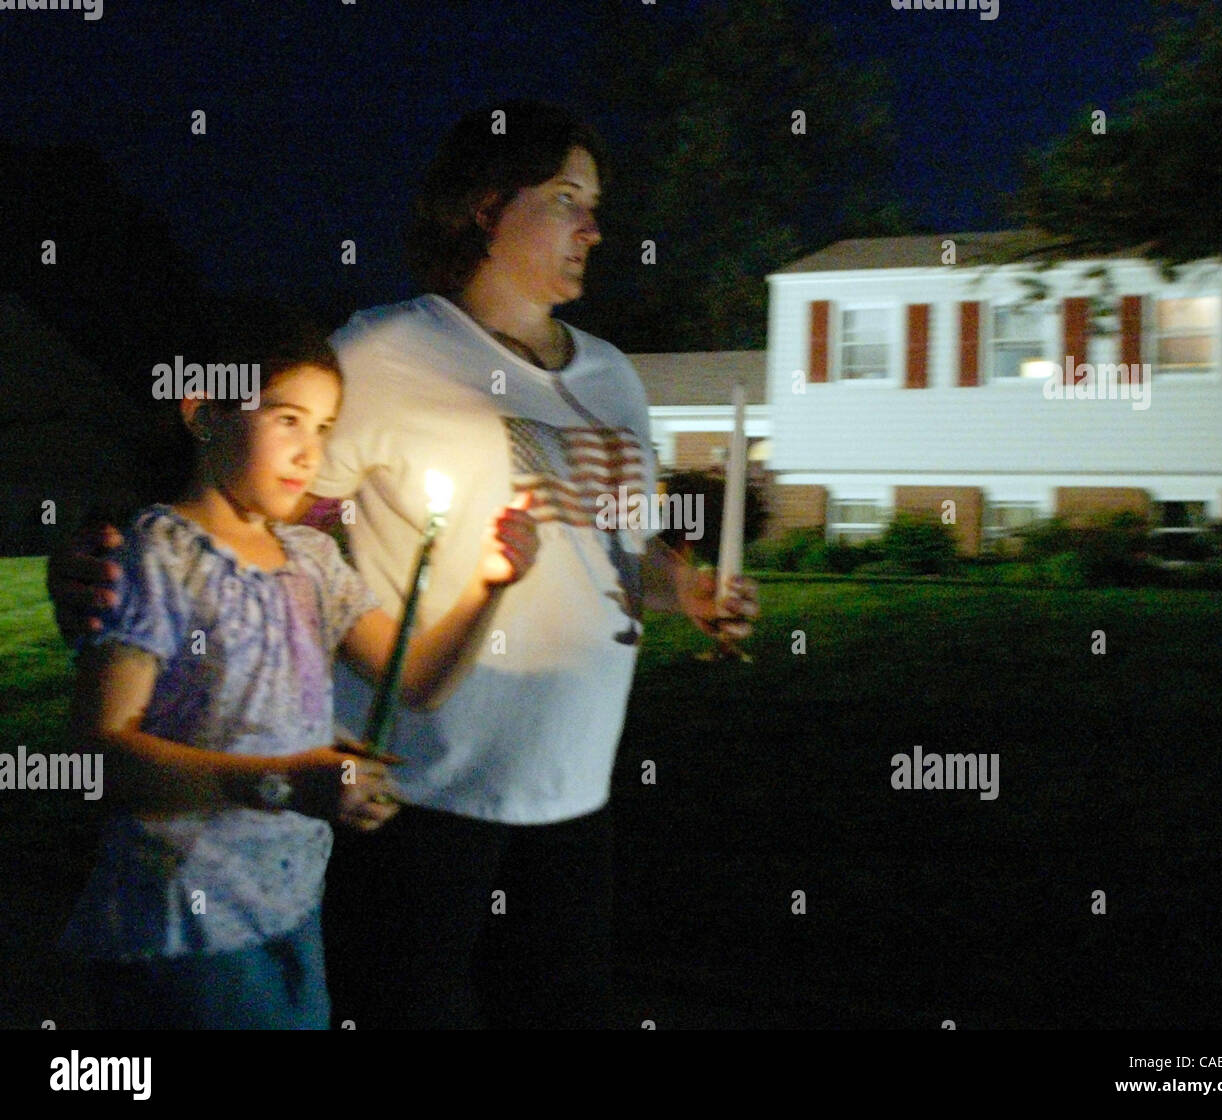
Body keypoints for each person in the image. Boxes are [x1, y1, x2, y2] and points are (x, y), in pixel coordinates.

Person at [49, 100, 759, 1029]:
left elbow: (616, 557)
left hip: (576, 789)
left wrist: (689, 596)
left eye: (597, 203)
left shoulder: (615, 378)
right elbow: (249, 506)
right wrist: (110, 565)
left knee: (560, 1005)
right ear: (487, 206)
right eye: (565, 197)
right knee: (409, 1004)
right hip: (421, 790)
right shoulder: (384, 351)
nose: (595, 226)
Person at [57, 316, 538, 1029]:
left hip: (292, 907)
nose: (310, 451)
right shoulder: (158, 555)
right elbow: (97, 755)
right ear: (204, 412)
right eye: (287, 419)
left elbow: (417, 681)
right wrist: (281, 779)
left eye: (325, 427)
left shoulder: (313, 561)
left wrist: (489, 585)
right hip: (187, 922)